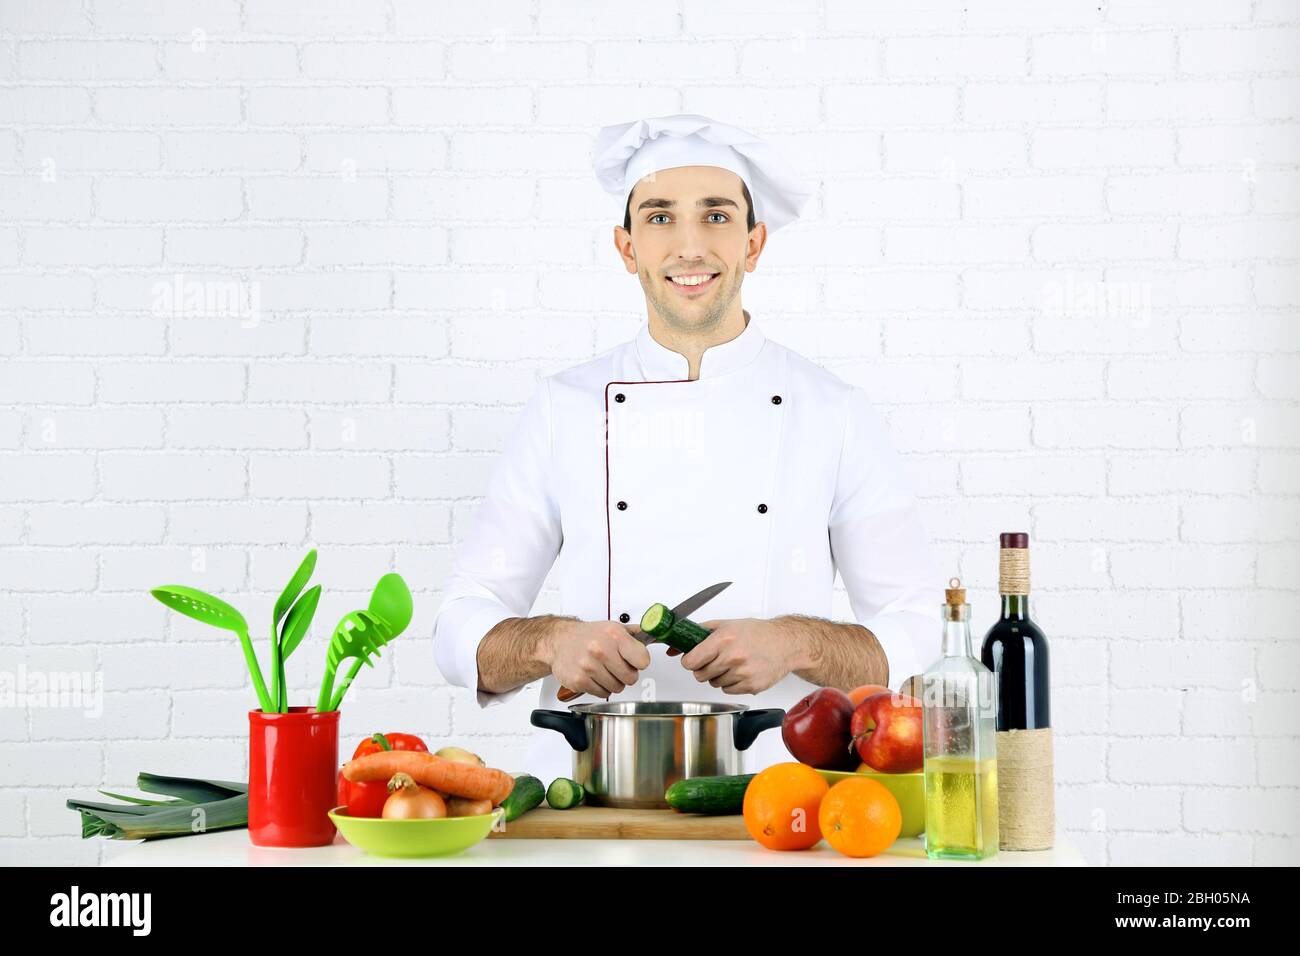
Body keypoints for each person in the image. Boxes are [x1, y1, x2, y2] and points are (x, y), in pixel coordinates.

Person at [433, 114, 939, 782]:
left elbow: (921, 630)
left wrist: (797, 640)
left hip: (779, 786)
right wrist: (554, 641)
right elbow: (460, 625)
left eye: (718, 217)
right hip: (588, 781)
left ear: (754, 244)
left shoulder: (834, 412)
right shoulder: (563, 408)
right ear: (626, 247)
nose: (690, 247)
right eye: (661, 217)